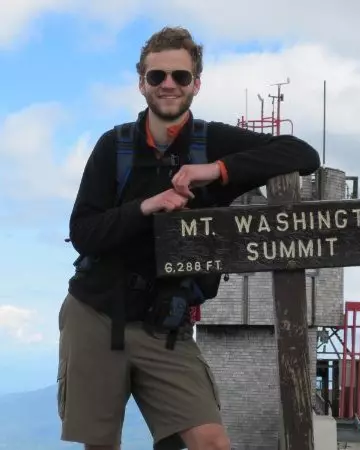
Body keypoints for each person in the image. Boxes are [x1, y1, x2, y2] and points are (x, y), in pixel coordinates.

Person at [57, 26, 320, 450]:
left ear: (196, 83)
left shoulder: (213, 142)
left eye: (180, 76)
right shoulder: (115, 146)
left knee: (211, 441)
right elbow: (83, 233)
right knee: (100, 445)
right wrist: (148, 206)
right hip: (97, 313)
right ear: (141, 82)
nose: (168, 86)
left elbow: (302, 154)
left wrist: (215, 170)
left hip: (167, 324)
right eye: (156, 76)